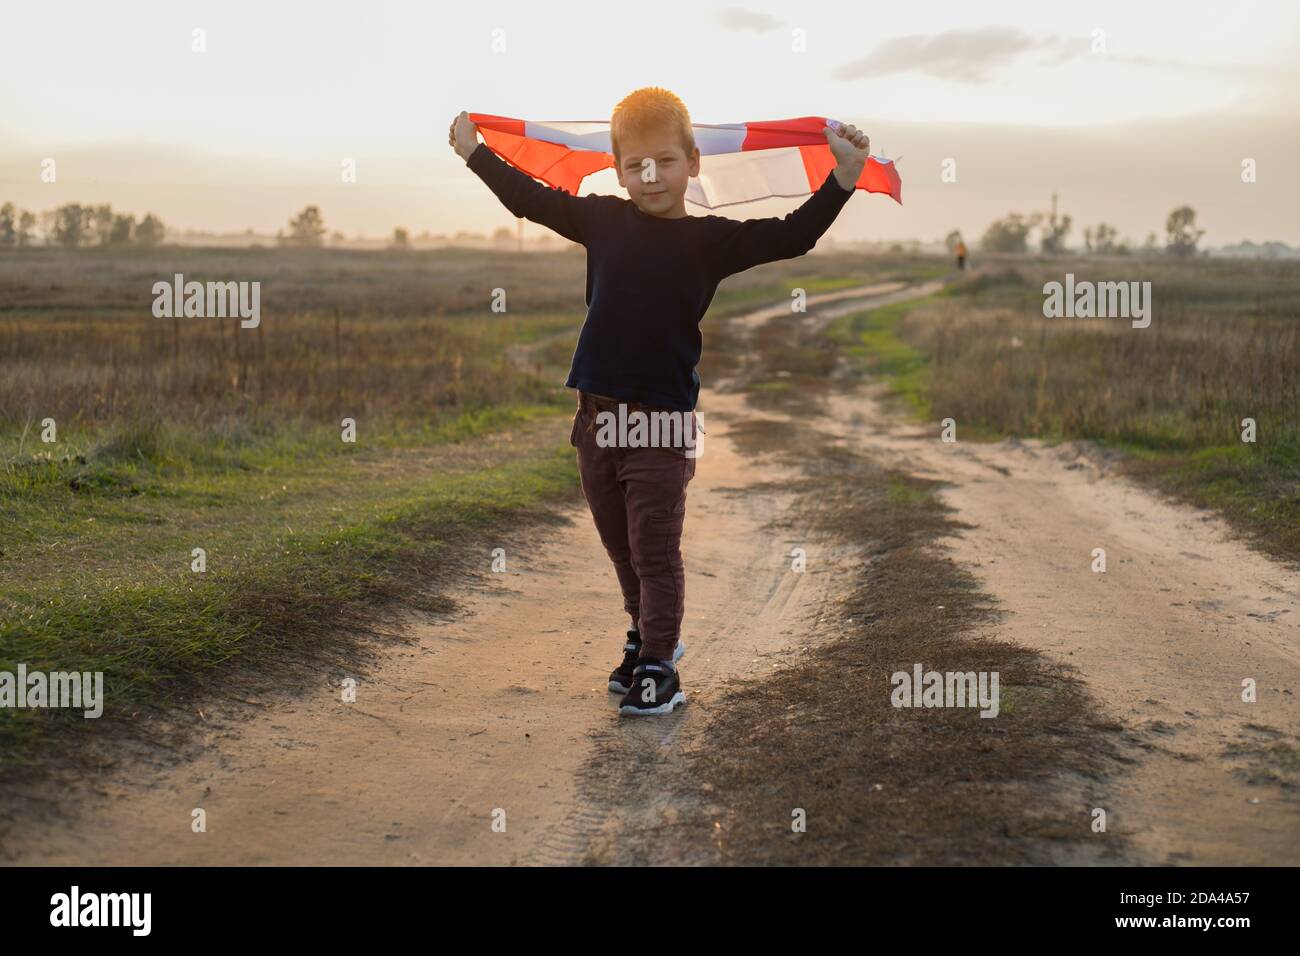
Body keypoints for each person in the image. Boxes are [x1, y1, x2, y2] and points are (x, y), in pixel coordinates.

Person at [449, 87, 869, 715]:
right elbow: (528, 200)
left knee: (654, 548)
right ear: (617, 169)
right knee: (621, 549)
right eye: (636, 164)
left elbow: (794, 235)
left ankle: (658, 665)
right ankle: (643, 634)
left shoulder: (710, 241)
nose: (651, 176)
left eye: (666, 162)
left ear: (693, 163)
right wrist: (475, 153)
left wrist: (845, 177)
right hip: (594, 422)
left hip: (661, 428)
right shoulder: (601, 221)